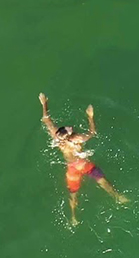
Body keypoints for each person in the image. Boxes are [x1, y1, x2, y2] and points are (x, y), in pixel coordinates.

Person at [39, 92, 128, 226]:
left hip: (72, 169)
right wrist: (90, 117)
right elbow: (92, 133)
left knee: (74, 194)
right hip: (82, 164)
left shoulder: (57, 138)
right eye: (69, 130)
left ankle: (73, 217)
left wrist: (44, 103)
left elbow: (46, 119)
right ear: (69, 135)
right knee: (101, 180)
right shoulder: (77, 139)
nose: (70, 128)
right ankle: (117, 197)